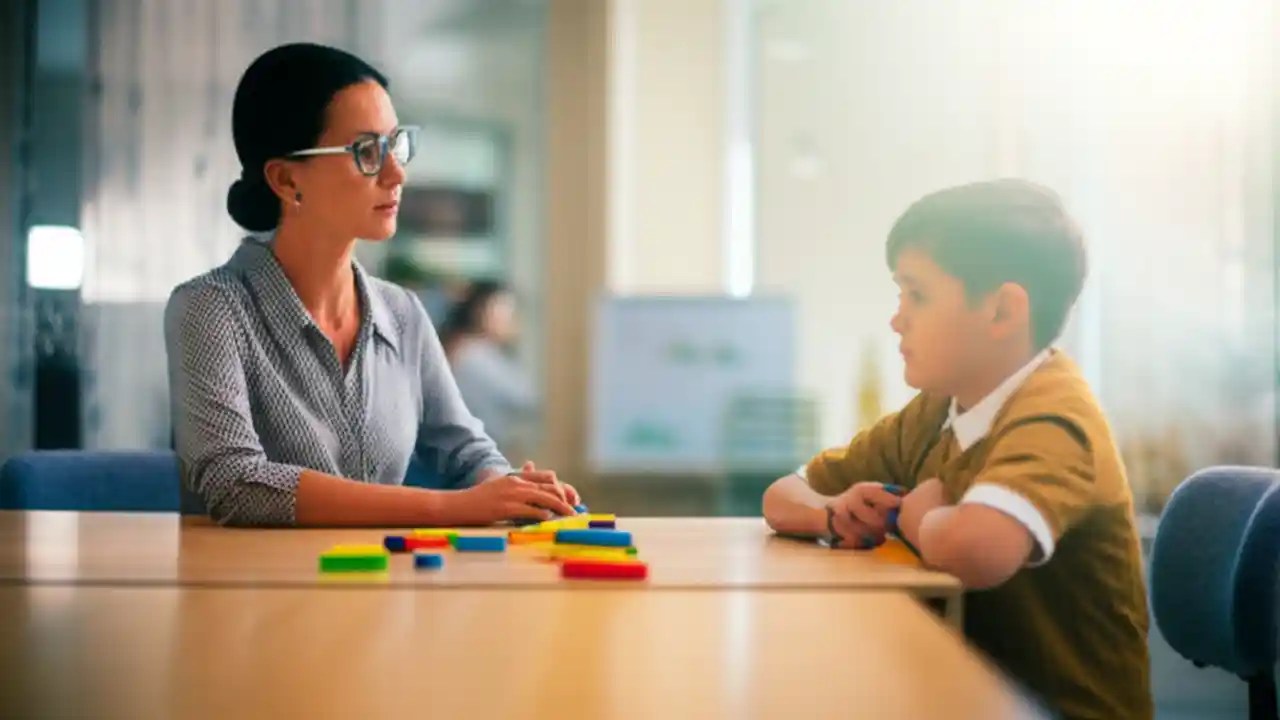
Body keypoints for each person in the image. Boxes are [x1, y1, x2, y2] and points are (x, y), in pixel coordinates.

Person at [761, 180, 1151, 719]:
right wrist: (831, 513)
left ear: (1002, 312)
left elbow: (979, 549)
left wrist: (922, 518)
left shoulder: (1056, 417)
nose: (897, 318)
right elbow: (783, 494)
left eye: (917, 295)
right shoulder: (939, 409)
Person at [165, 43, 578, 527]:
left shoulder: (402, 312)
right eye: (366, 151)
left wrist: (510, 489)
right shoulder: (210, 308)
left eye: (395, 145)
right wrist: (450, 507)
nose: (397, 173)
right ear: (285, 180)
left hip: (380, 572)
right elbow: (235, 483)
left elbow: (465, 450)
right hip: (250, 577)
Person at [440, 280, 538, 454]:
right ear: (481, 312)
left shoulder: (462, 349)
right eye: (507, 312)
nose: (513, 321)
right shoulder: (475, 355)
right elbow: (524, 397)